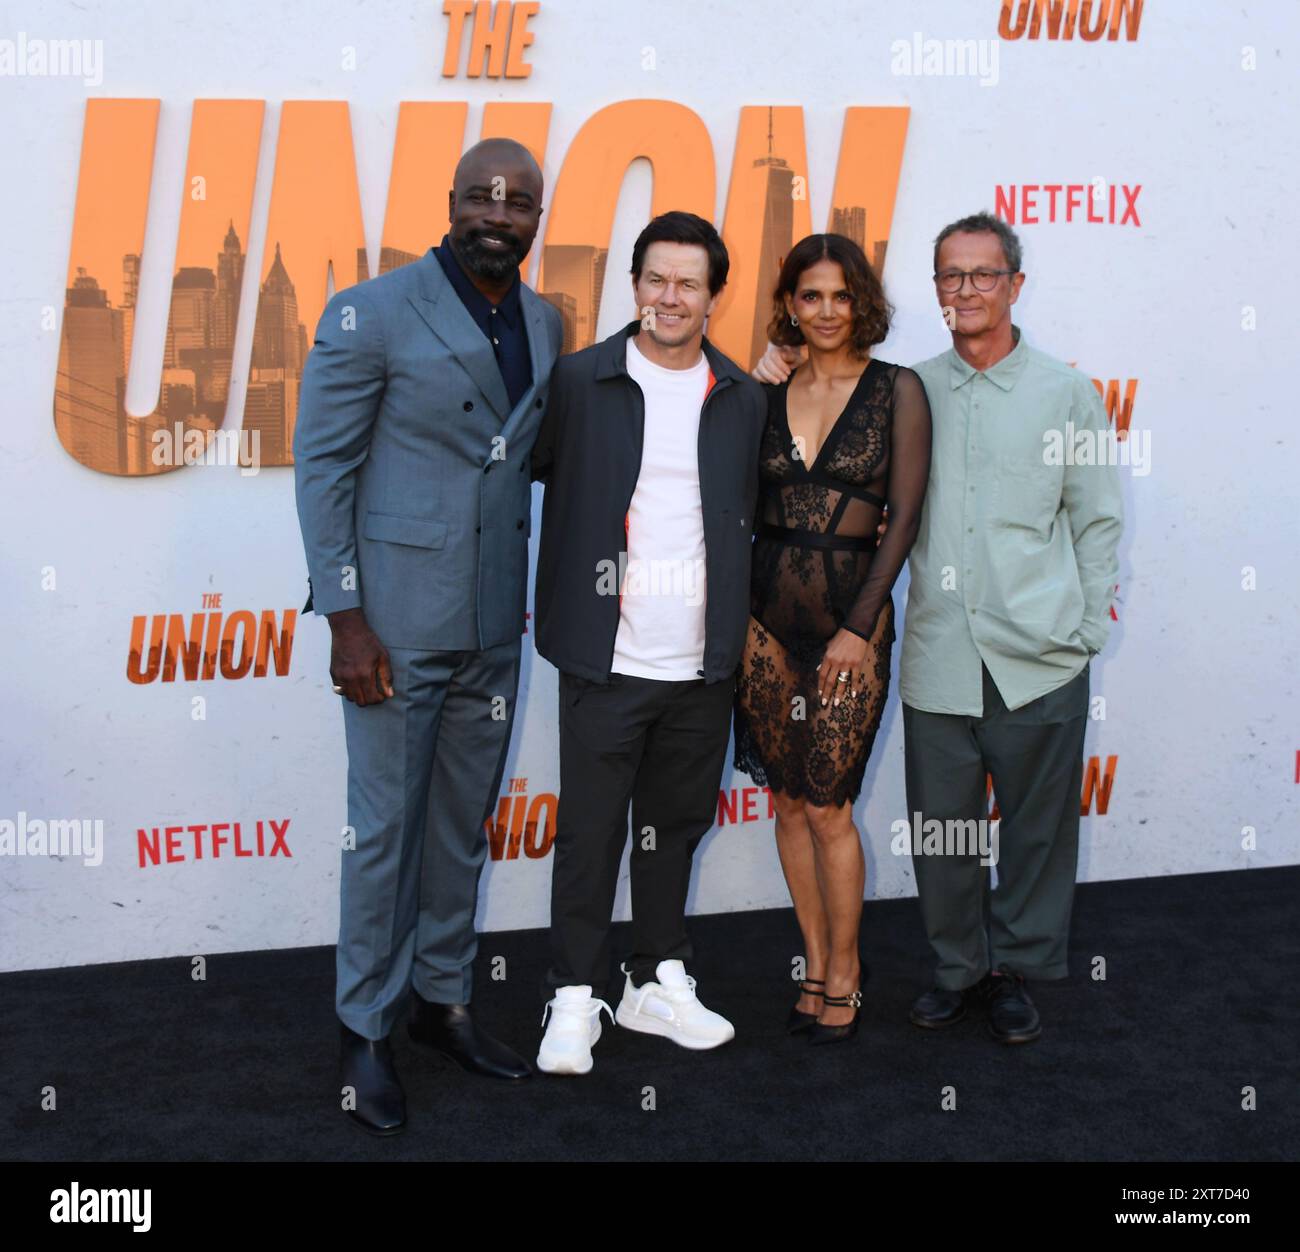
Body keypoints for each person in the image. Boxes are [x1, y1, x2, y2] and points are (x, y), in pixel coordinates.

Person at [756, 211, 1123, 1045]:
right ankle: (959, 970)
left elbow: (1097, 521)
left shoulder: (1065, 391)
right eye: (951, 277)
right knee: (945, 829)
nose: (966, 290)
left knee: (1033, 832)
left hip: (1041, 655)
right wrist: (768, 369)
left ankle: (1014, 972)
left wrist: (1085, 626)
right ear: (935, 289)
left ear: (1015, 284)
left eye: (983, 275)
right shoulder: (903, 389)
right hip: (940, 653)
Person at [293, 138, 565, 1134]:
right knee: (384, 832)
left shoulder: (544, 318)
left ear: (538, 215)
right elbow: (321, 470)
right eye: (483, 197)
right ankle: (363, 1027)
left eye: (520, 201)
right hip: (395, 627)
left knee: (460, 825)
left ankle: (440, 1000)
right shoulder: (370, 309)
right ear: (450, 202)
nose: (500, 213)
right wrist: (347, 618)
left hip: (494, 618)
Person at [529, 211, 766, 1075]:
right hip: (605, 660)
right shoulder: (579, 380)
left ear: (713, 296)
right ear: (634, 286)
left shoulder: (740, 396)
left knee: (671, 830)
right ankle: (573, 995)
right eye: (656, 280)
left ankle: (655, 980)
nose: (671, 297)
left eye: (689, 284)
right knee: (588, 838)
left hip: (701, 665)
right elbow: (535, 478)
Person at [734, 233, 932, 1044]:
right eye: (809, 296)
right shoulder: (765, 393)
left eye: (840, 296)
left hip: (852, 619)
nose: (825, 311)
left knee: (830, 810)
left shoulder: (897, 390)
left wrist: (859, 627)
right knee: (785, 803)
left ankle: (847, 974)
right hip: (763, 619)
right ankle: (813, 965)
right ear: (788, 303)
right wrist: (750, 380)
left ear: (863, 303)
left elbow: (905, 519)